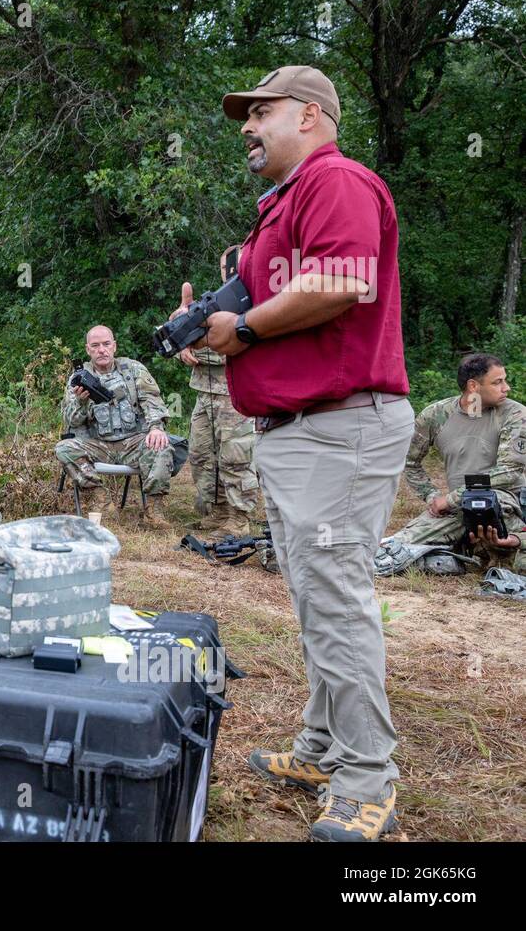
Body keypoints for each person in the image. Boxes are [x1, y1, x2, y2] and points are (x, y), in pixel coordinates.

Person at [183, 65, 413, 841]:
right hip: (298, 431)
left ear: (311, 115)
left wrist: (243, 330)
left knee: (337, 601)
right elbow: (283, 303)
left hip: (339, 426)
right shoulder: (282, 203)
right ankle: (322, 747)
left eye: (262, 111)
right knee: (316, 599)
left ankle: (366, 776)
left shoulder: (336, 180)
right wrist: (215, 324)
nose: (247, 125)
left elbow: (344, 281)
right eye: (242, 115)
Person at [389, 353, 526, 568]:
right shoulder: (435, 415)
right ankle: (458, 552)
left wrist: (452, 498)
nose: (506, 387)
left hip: (506, 501)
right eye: (497, 382)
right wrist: (432, 497)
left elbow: (509, 471)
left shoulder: (515, 414)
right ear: (473, 386)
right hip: (458, 509)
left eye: (504, 380)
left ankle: (483, 552)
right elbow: (410, 462)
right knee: (397, 549)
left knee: (491, 515)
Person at [54, 325, 174, 526]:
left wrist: (155, 428)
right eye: (95, 345)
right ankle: (100, 499)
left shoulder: (133, 370)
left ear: (114, 346)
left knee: (161, 445)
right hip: (98, 445)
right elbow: (70, 422)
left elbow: (152, 401)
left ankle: (154, 511)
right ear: (88, 349)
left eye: (106, 344)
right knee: (64, 449)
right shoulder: (78, 379)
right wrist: (82, 403)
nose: (102, 350)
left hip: (133, 442)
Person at [178, 253, 261, 536]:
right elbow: (193, 343)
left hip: (233, 393)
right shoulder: (211, 305)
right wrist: (184, 345)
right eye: (227, 266)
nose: (231, 270)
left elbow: (242, 344)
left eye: (236, 264)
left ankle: (239, 518)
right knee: (201, 454)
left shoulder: (257, 302)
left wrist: (206, 348)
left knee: (235, 457)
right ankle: (217, 513)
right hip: (203, 392)